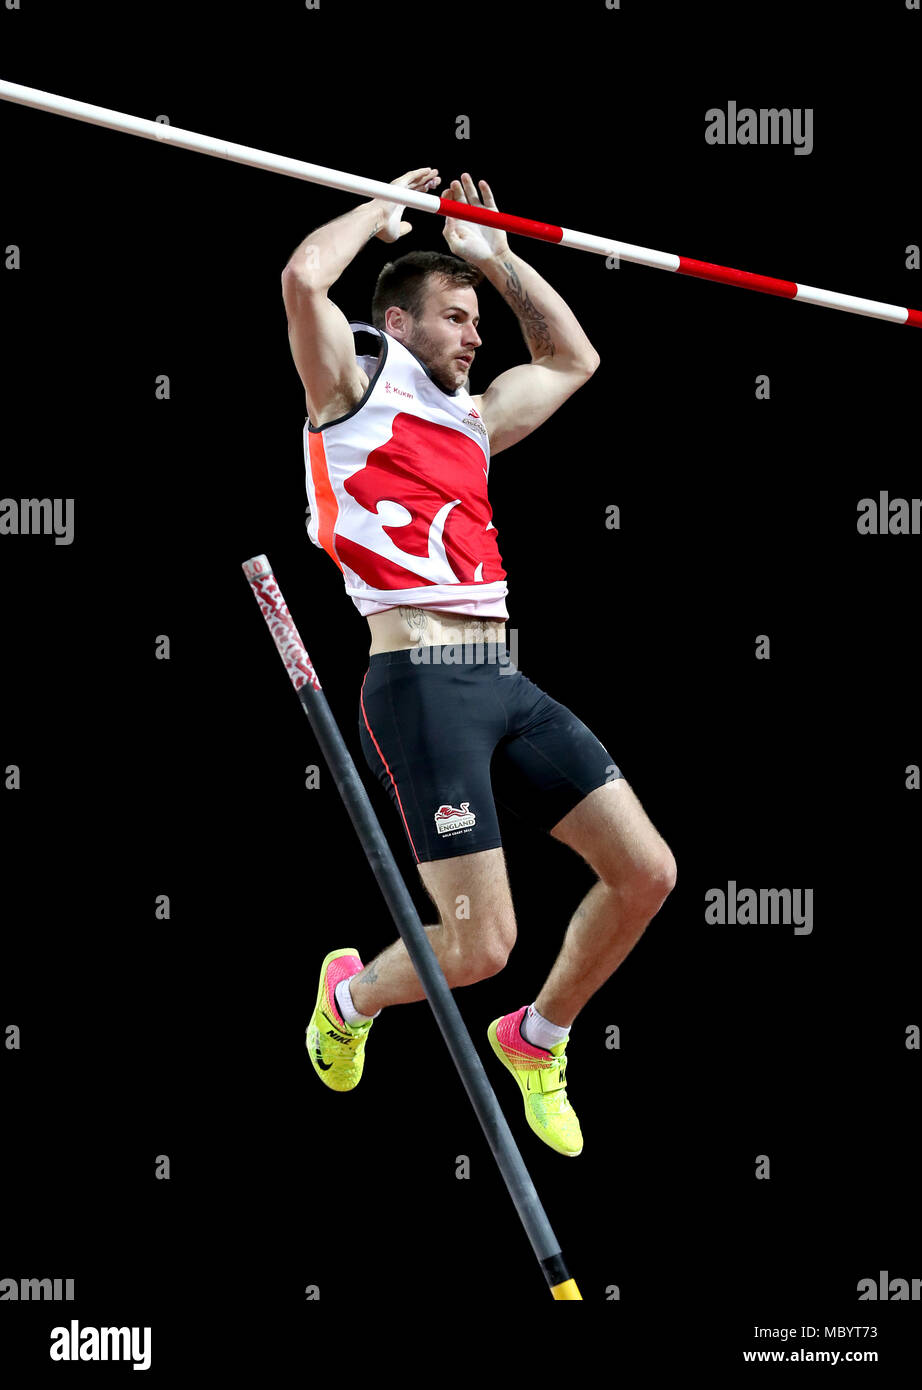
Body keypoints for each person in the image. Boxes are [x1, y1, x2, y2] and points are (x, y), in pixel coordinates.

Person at [281, 169, 676, 1156]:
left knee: (645, 872)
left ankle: (536, 1037)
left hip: (503, 678)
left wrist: (493, 261)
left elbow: (573, 358)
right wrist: (381, 209)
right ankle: (351, 994)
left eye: (475, 318)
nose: (475, 333)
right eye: (455, 316)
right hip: (419, 690)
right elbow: (301, 278)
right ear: (399, 322)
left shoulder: (473, 419)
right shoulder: (345, 393)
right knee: (477, 947)